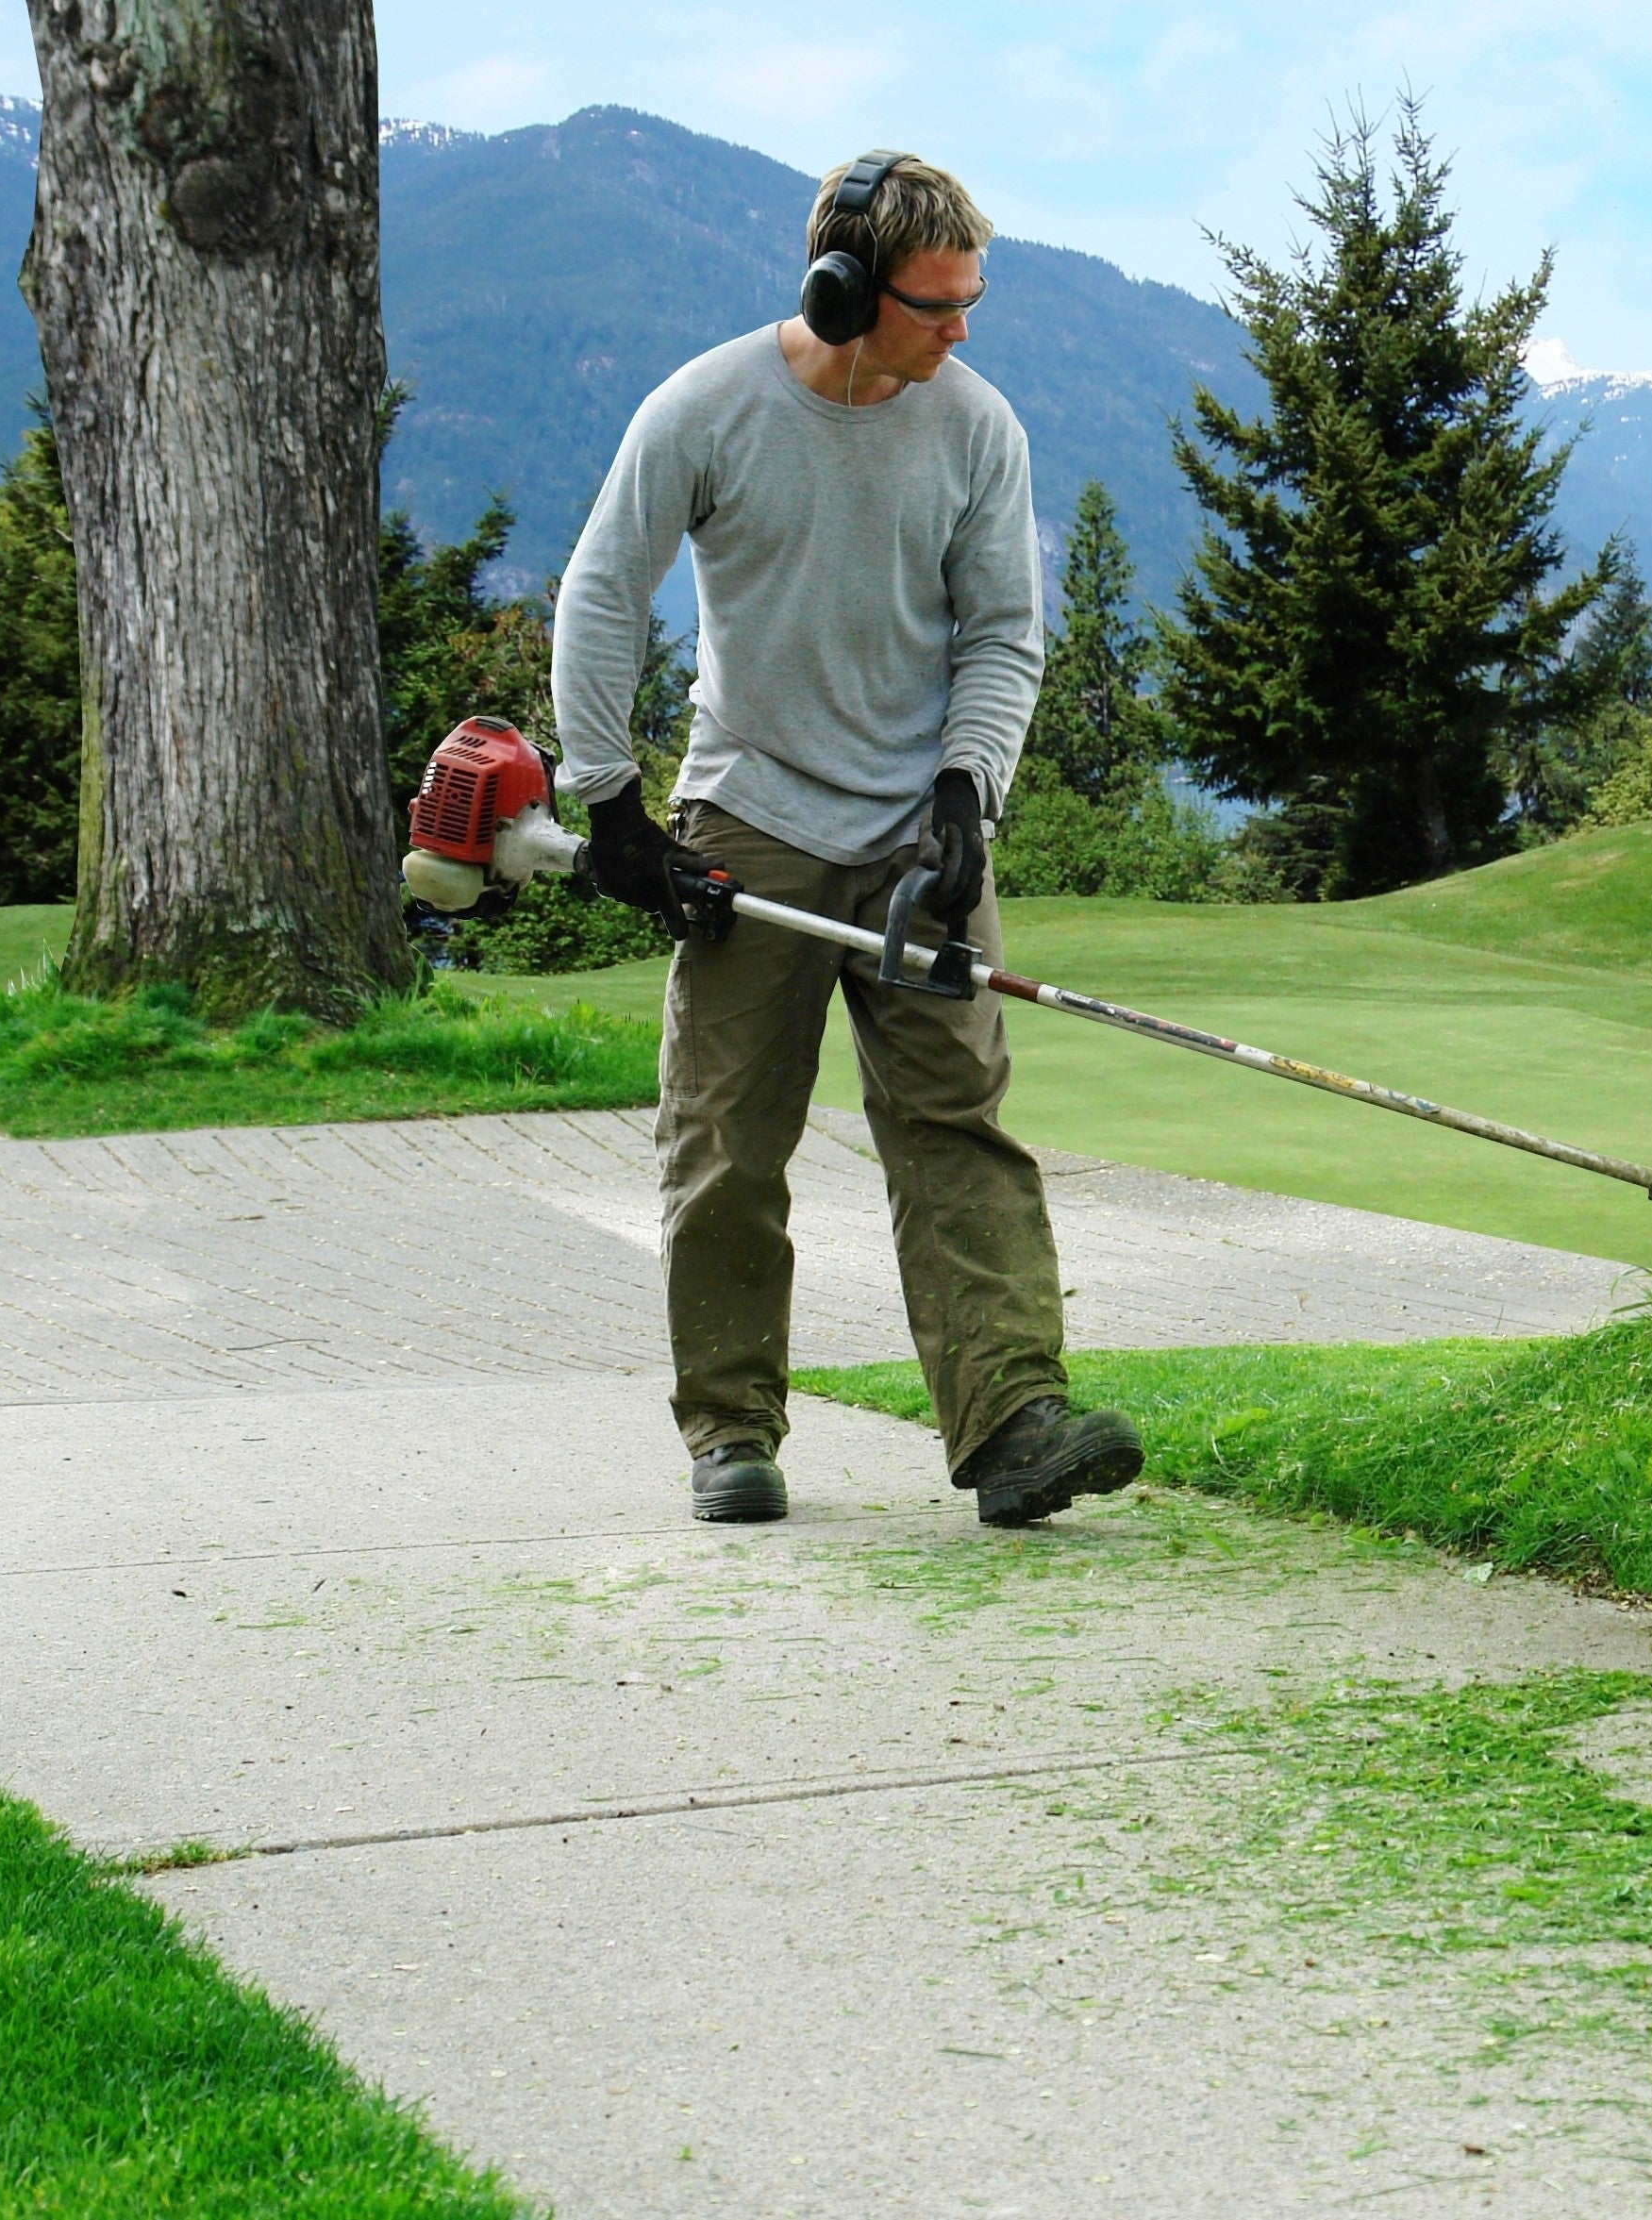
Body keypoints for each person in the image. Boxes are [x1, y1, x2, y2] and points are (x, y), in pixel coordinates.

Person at [548, 148, 1142, 1530]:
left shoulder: (977, 426)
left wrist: (965, 796)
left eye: (969, 300)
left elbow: (1002, 633)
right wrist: (613, 804)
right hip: (748, 823)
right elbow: (599, 590)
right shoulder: (707, 409)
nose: (961, 329)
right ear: (840, 293)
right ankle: (731, 1429)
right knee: (728, 1140)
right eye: (936, 305)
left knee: (956, 1124)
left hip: (916, 834)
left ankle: (1012, 1423)